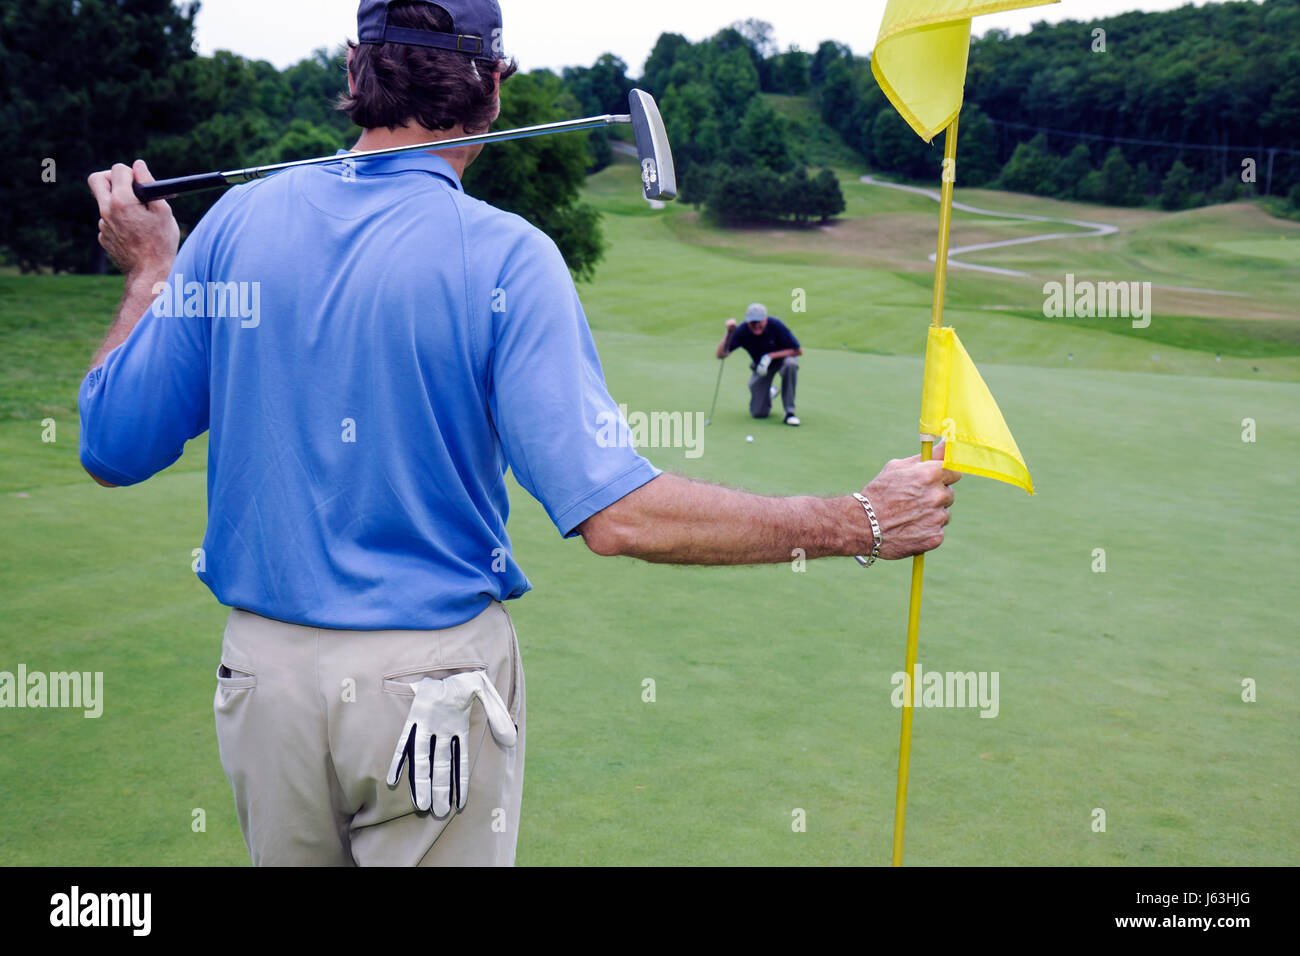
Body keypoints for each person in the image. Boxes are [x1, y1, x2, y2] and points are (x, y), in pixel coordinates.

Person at [79, 0, 959, 867]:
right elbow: (618, 516)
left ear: (354, 65)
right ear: (494, 86)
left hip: (262, 679)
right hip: (430, 689)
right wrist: (859, 521)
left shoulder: (232, 225)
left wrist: (154, 267)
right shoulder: (508, 256)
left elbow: (112, 444)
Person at [718, 303, 803, 425]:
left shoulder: (776, 325)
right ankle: (769, 392)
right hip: (761, 367)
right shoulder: (742, 331)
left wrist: (771, 356)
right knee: (758, 413)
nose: (756, 325)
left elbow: (798, 350)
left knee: (791, 365)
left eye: (759, 321)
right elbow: (721, 355)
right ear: (747, 322)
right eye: (753, 322)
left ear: (765, 319)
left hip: (783, 360)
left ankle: (789, 413)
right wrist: (729, 333)